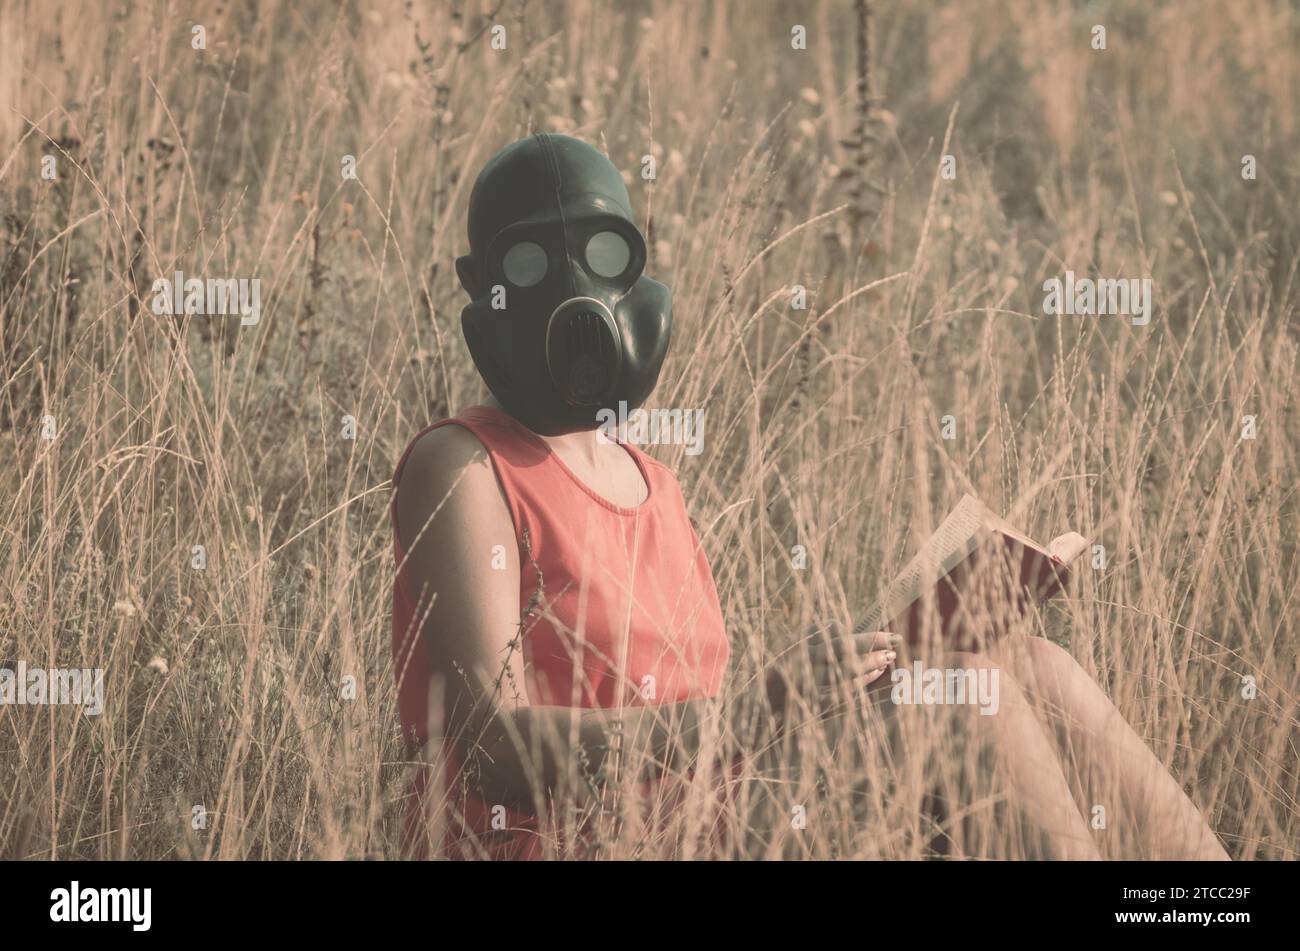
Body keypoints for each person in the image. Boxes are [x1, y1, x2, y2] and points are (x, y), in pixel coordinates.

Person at [390, 133, 1228, 860]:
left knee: (1031, 667)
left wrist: (862, 664)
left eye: (605, 253)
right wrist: (750, 714)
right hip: (584, 836)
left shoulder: (653, 481)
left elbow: (715, 727)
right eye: (531, 263)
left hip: (707, 809)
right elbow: (490, 747)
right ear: (484, 290)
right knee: (962, 707)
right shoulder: (463, 464)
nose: (576, 288)